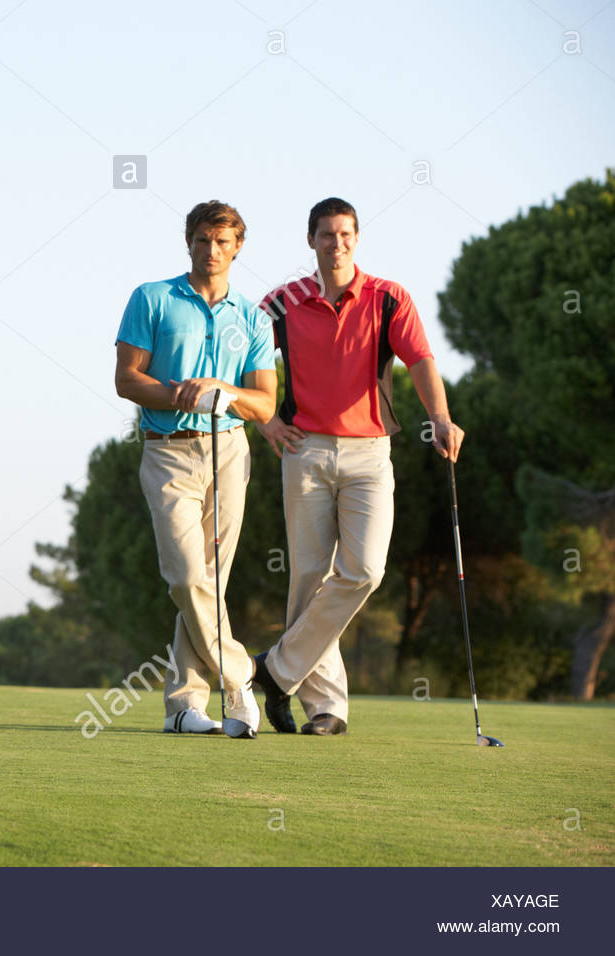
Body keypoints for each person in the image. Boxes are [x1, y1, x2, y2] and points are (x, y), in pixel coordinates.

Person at [252, 197, 465, 736]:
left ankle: (276, 670)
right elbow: (244, 363)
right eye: (327, 235)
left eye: (346, 233)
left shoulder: (389, 298)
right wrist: (266, 422)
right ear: (311, 241)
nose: (338, 243)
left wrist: (439, 415)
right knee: (308, 577)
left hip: (370, 451)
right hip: (304, 448)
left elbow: (420, 360)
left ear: (356, 238)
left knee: (365, 571)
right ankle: (326, 708)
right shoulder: (283, 301)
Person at [114, 201, 277, 738]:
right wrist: (178, 394)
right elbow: (126, 380)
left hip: (229, 453)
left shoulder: (254, 318)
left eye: (223, 242)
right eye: (204, 240)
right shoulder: (152, 298)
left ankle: (184, 706)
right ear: (189, 242)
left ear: (238, 248)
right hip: (167, 451)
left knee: (211, 583)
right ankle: (243, 675)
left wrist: (223, 393)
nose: (212, 251)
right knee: (187, 577)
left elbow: (265, 405)